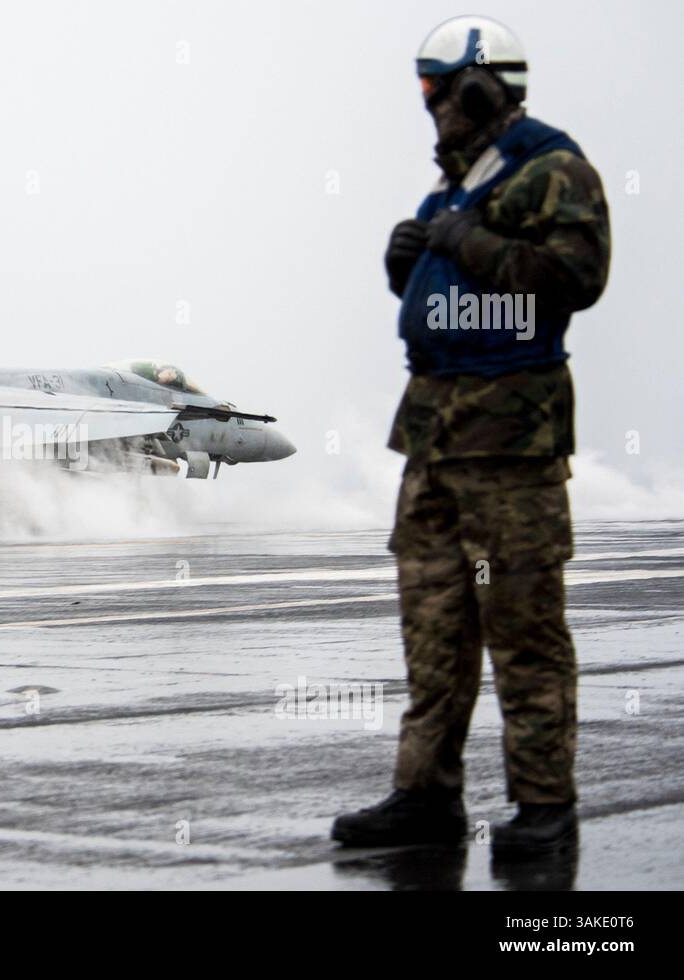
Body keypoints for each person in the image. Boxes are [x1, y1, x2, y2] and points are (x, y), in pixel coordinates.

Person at [331, 15, 611, 858]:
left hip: (510, 447)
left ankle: (544, 809)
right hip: (434, 444)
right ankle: (425, 797)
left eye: (435, 87)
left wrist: (469, 242)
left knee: (524, 630)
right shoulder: (453, 187)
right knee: (434, 631)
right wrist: (410, 260)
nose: (427, 104)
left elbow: (575, 277)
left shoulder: (553, 169)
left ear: (478, 86)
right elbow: (442, 290)